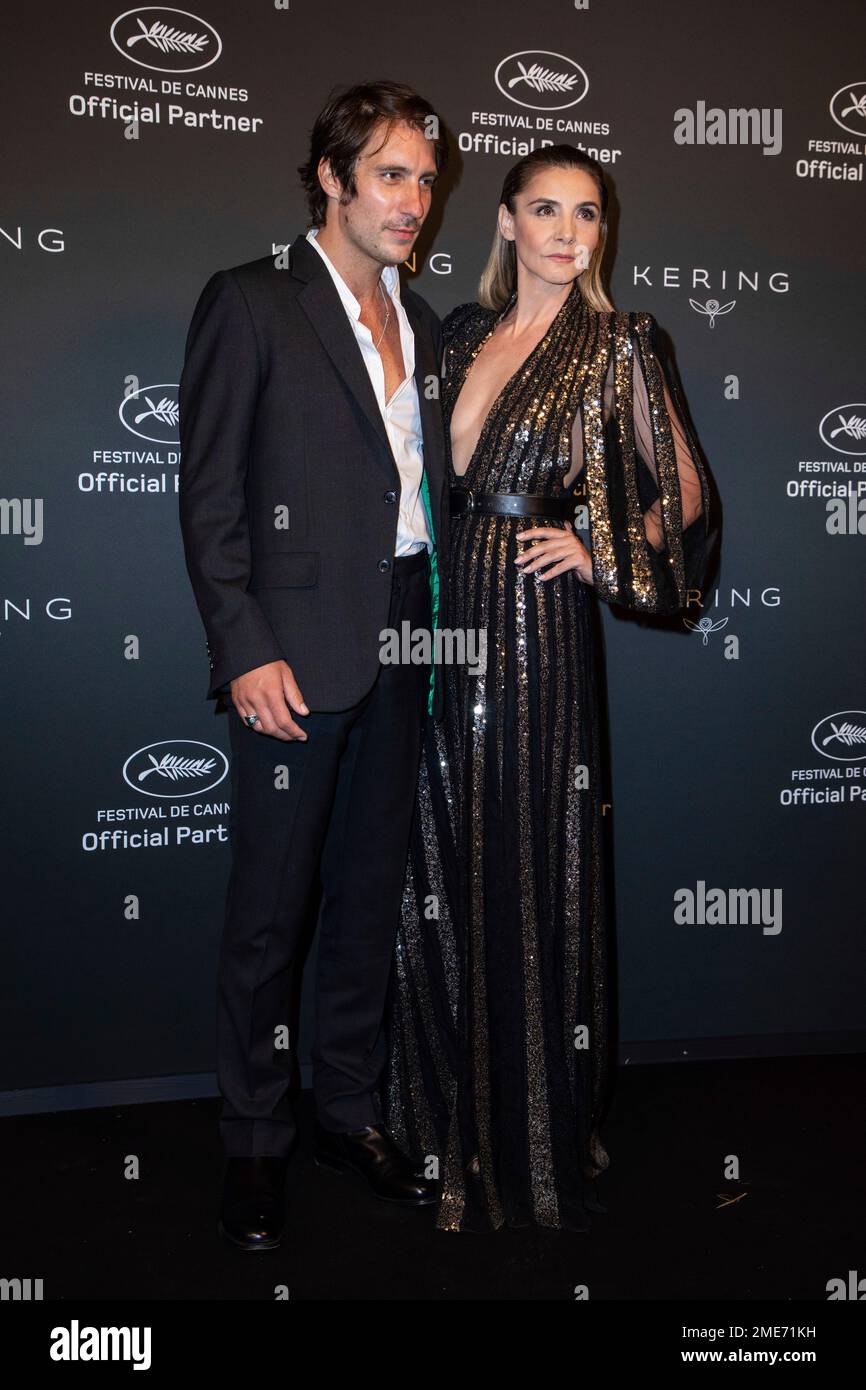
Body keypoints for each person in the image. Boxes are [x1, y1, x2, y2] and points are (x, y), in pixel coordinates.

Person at [382, 145, 718, 1233]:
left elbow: (687, 498)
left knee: (527, 858)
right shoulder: (461, 336)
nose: (567, 231)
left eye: (585, 212)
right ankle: (442, 1123)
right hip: (439, 618)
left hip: (531, 632)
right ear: (506, 222)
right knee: (440, 853)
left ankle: (530, 1127)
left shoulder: (619, 343)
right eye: (545, 209)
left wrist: (595, 547)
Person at [178, 80, 450, 1250]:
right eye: (390, 174)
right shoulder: (249, 301)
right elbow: (209, 497)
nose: (414, 200)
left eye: (426, 179)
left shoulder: (425, 320)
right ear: (331, 180)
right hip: (293, 650)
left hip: (406, 634)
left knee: (367, 897)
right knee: (267, 914)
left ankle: (345, 1105)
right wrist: (243, 646)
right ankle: (252, 1139)